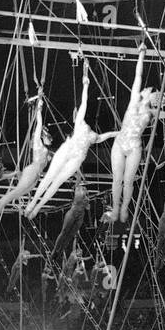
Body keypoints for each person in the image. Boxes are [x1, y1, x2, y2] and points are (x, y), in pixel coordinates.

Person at [105, 36, 165, 225]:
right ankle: (116, 207)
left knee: (128, 181)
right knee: (117, 179)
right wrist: (141, 55)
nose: (147, 91)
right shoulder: (134, 99)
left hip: (134, 146)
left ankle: (124, 207)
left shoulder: (152, 113)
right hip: (120, 143)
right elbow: (138, 75)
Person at [24, 64, 117, 218]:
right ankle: (33, 203)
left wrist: (118, 132)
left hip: (77, 158)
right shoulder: (80, 123)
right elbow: (84, 103)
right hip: (68, 150)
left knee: (56, 182)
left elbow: (105, 136)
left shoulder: (92, 134)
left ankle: (37, 206)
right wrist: (86, 85)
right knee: (50, 177)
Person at [0, 95, 53, 218]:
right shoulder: (39, 144)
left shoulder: (46, 151)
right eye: (49, 138)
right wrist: (39, 108)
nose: (50, 141)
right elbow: (38, 124)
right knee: (15, 193)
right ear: (44, 136)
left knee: (17, 194)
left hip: (36, 175)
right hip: (32, 170)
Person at [54, 178, 89, 256]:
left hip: (81, 215)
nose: (84, 188)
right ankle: (54, 251)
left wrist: (86, 203)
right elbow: (78, 176)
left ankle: (59, 251)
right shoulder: (78, 189)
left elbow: (87, 207)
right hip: (73, 213)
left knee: (70, 235)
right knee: (64, 232)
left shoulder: (86, 196)